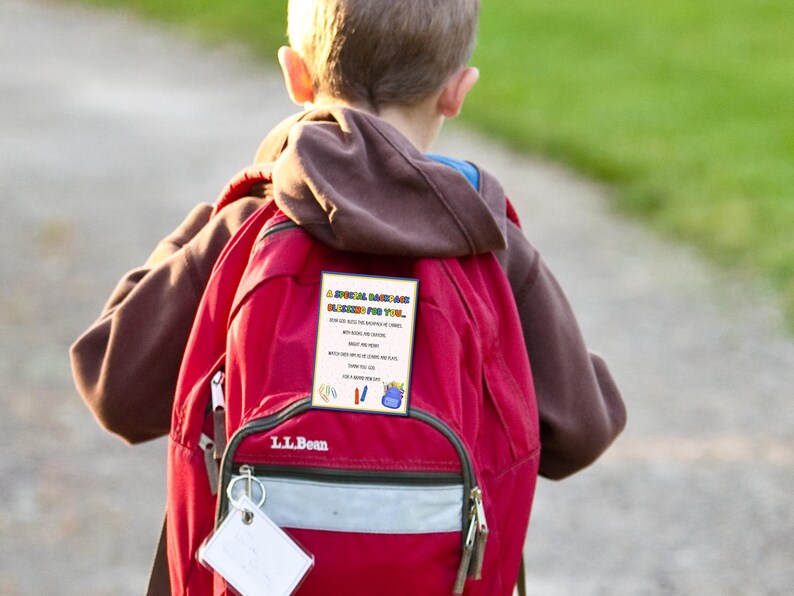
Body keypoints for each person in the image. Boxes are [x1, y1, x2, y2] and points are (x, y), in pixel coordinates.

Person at [71, 0, 625, 589]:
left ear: (296, 74)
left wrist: (224, 208)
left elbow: (114, 387)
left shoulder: (247, 229)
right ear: (457, 91)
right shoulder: (488, 245)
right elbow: (582, 432)